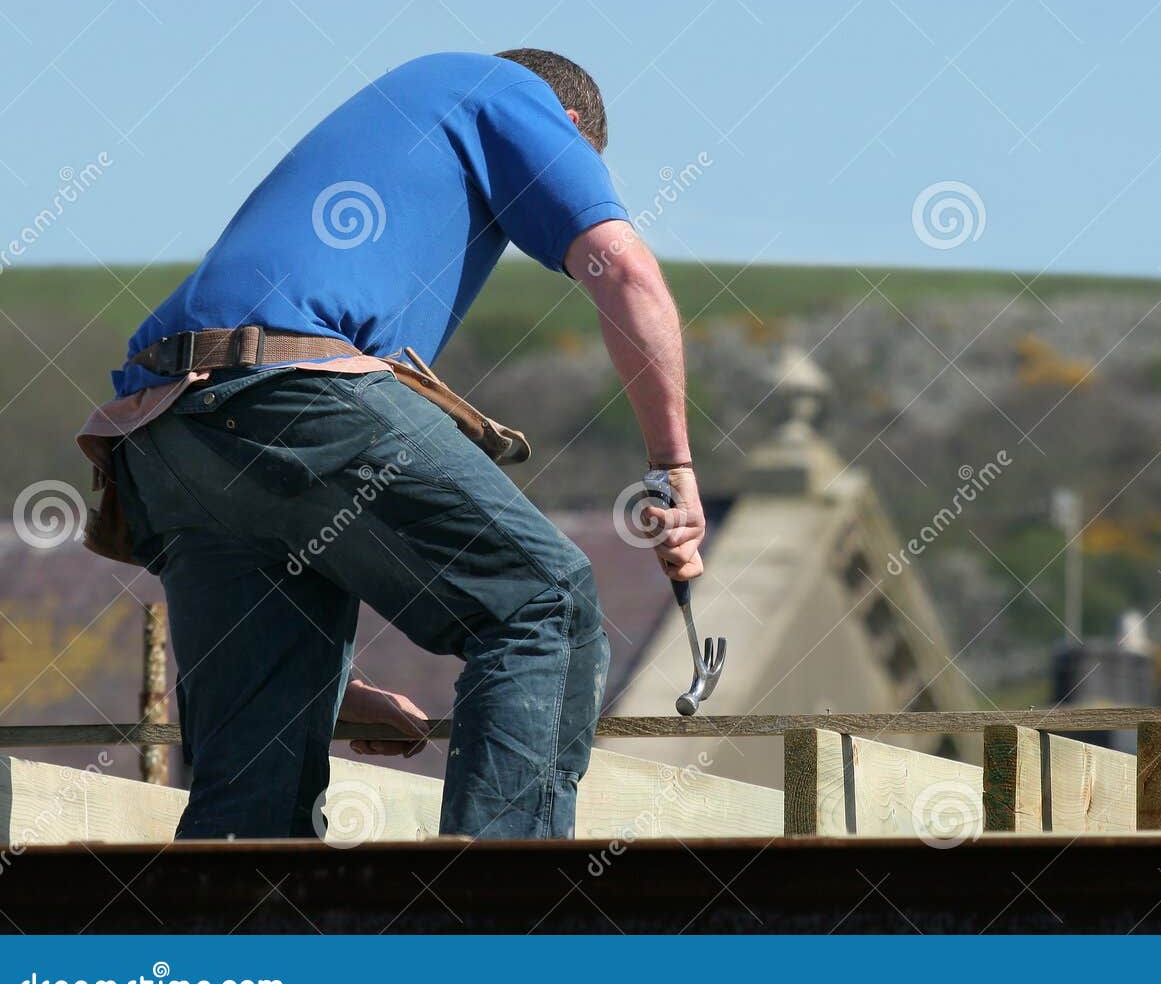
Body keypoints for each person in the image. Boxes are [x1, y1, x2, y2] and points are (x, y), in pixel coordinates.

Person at [77, 49, 704, 840]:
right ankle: (494, 936)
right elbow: (626, 274)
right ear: (569, 129)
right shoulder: (509, 92)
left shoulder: (405, 136)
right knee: (544, 605)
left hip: (162, 431)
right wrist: (672, 467)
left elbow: (278, 493)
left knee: (251, 803)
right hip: (289, 391)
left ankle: (235, 959)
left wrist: (324, 685)